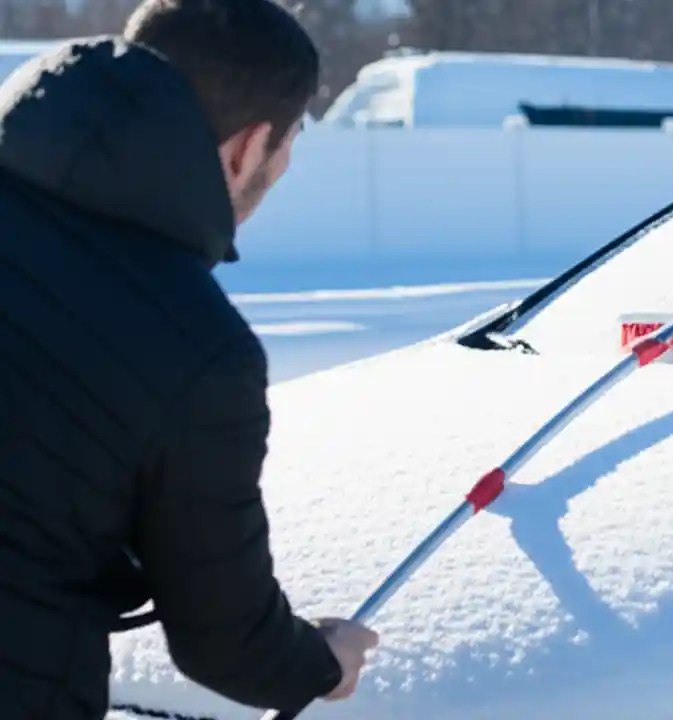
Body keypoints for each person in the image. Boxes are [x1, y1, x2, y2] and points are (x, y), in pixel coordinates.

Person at [0, 0, 378, 717]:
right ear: (248, 148)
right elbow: (225, 640)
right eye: (289, 146)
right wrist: (324, 663)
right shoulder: (197, 349)